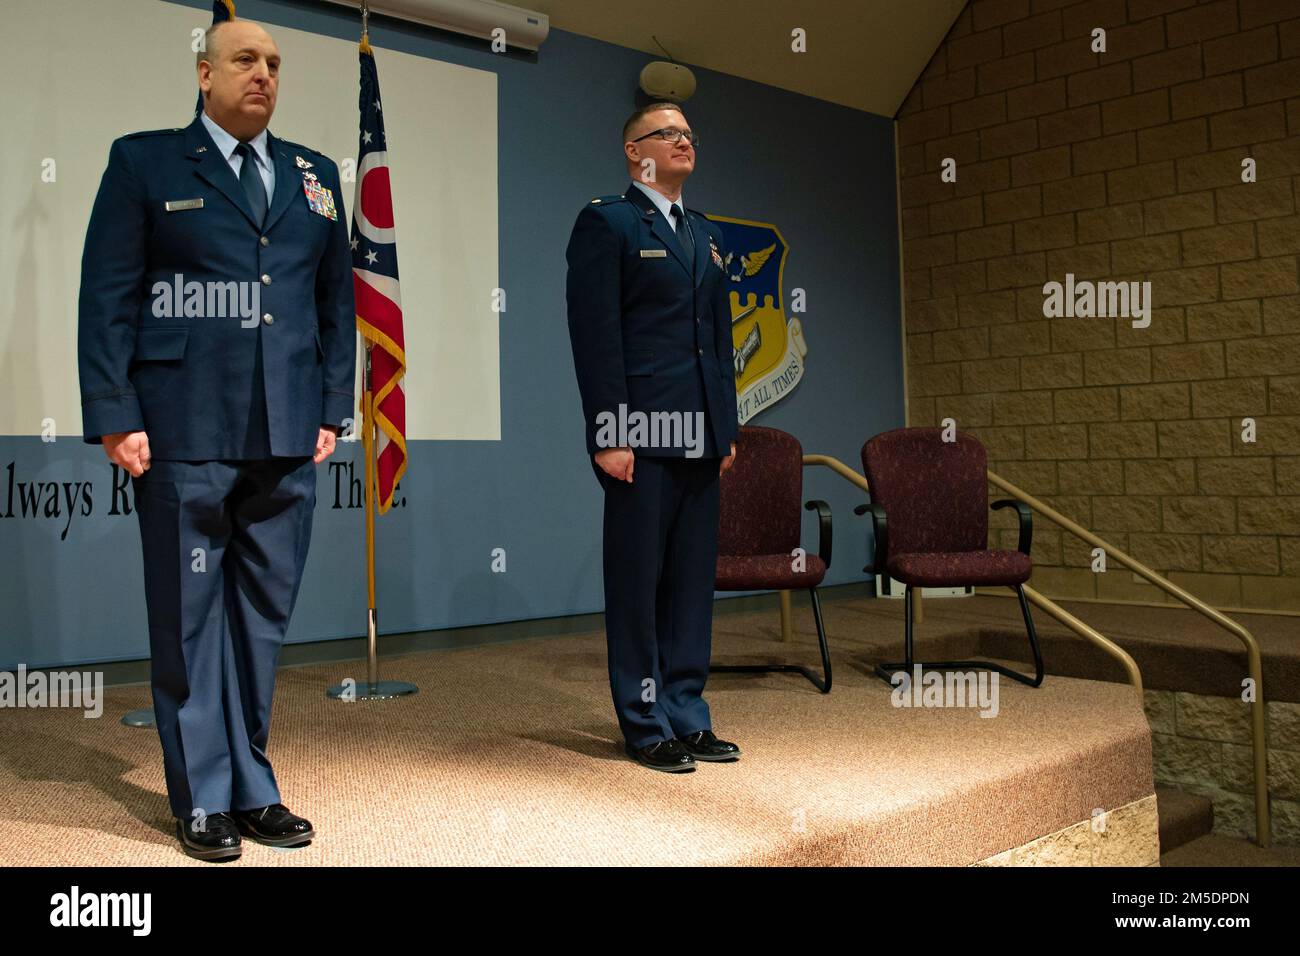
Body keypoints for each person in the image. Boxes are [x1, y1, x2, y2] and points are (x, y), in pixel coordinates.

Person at [76, 18, 356, 860]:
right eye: (244, 60)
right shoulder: (145, 161)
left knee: (261, 617)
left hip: (284, 426)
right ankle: (201, 794)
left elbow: (334, 304)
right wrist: (115, 412)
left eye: (274, 62)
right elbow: (107, 295)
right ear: (204, 74)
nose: (263, 73)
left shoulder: (313, 175)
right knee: (191, 614)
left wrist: (330, 407)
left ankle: (251, 786)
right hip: (182, 424)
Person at [565, 102, 741, 773]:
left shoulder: (705, 232)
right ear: (635, 149)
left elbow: (719, 342)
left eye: (690, 134)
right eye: (670, 133)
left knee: (692, 583)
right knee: (640, 585)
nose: (684, 141)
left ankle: (688, 714)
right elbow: (595, 335)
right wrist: (609, 432)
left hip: (700, 431)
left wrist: (725, 427)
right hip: (639, 432)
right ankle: (643, 723)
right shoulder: (606, 221)